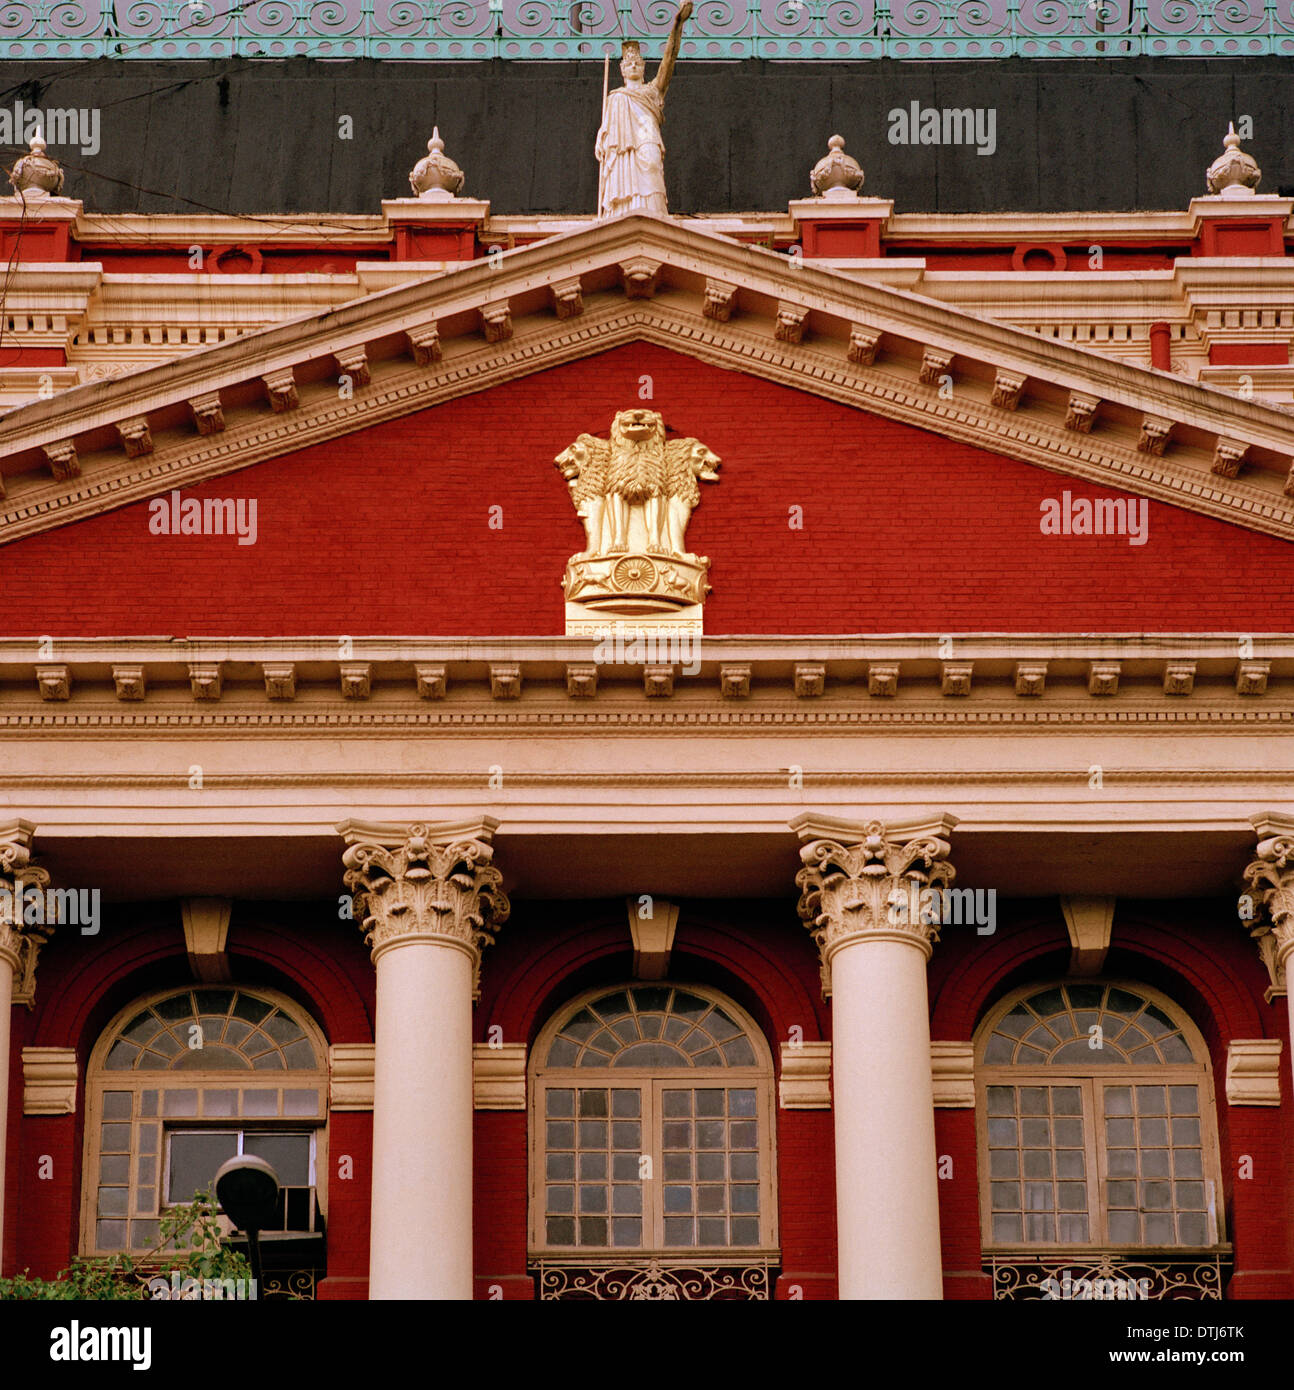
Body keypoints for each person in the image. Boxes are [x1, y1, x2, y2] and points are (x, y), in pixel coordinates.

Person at [596, 1, 693, 218]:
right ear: (621, 69)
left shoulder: (653, 91)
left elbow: (669, 58)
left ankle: (655, 221)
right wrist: (601, 138)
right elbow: (607, 132)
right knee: (621, 181)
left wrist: (678, 24)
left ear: (643, 68)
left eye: (637, 63)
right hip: (622, 151)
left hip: (647, 140)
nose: (632, 66)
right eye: (628, 64)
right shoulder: (615, 97)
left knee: (651, 165)